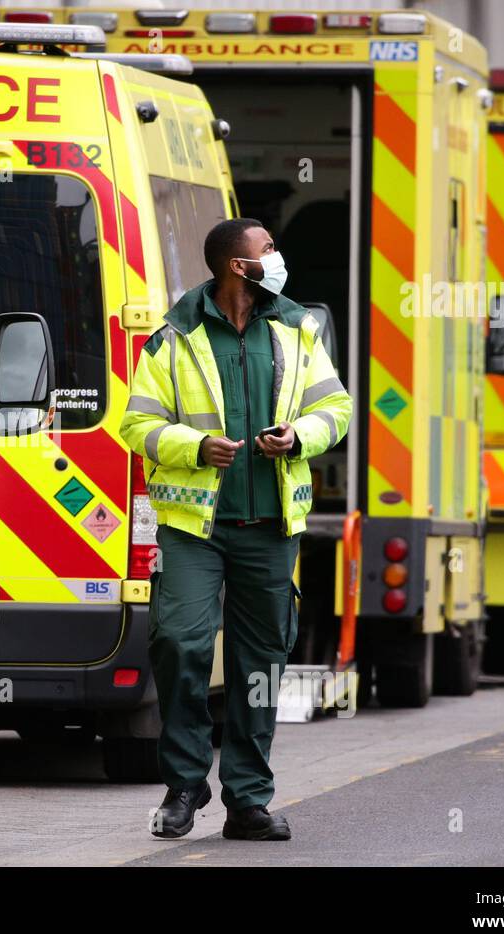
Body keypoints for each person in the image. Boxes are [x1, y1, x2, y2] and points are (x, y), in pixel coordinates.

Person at [120, 217, 353, 841]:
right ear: (234, 265)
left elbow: (337, 408)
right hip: (196, 526)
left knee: (259, 663)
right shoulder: (173, 336)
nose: (276, 257)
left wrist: (298, 436)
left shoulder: (297, 327)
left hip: (271, 526)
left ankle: (247, 800)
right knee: (178, 643)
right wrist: (195, 446)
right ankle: (185, 783)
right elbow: (137, 426)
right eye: (267, 248)